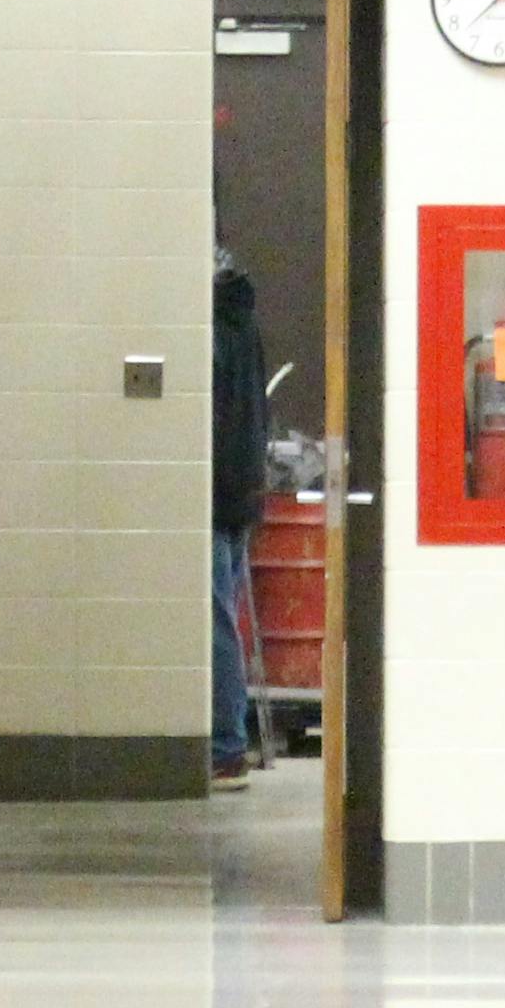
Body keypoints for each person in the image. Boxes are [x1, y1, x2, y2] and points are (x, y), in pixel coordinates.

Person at [209, 253, 270, 787]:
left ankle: (227, 747)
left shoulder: (213, 330)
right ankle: (228, 740)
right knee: (223, 616)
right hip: (242, 489)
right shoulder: (244, 323)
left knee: (214, 620)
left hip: (216, 491)